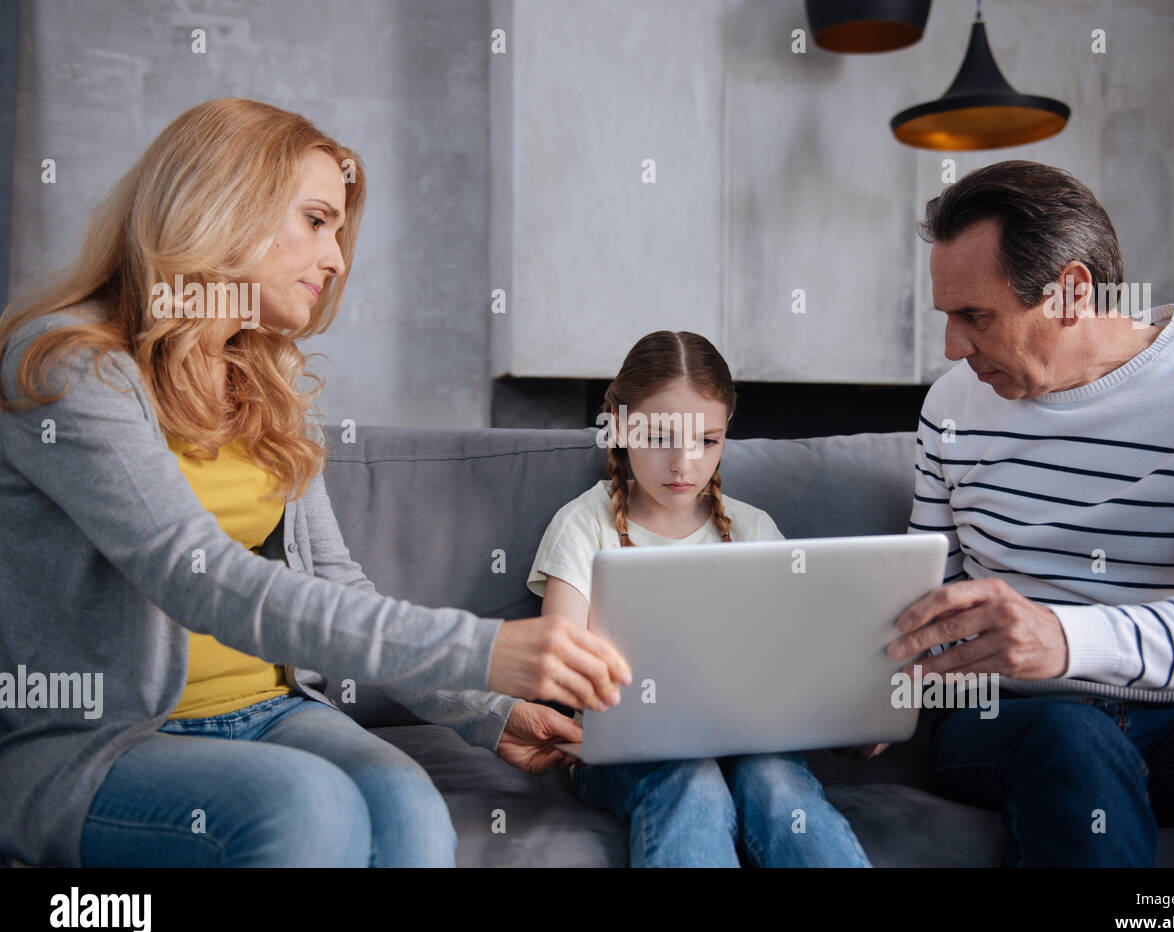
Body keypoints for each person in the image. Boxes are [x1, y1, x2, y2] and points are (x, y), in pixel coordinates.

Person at [0, 98, 630, 868]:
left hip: (270, 710)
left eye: (338, 231)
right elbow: (196, 578)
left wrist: (485, 710)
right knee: (309, 807)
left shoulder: (266, 377)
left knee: (408, 808)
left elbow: (335, 580)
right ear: (226, 203)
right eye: (317, 221)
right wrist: (482, 648)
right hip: (106, 740)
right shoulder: (70, 367)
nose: (337, 260)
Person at [891, 159, 1174, 865]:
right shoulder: (952, 407)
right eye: (947, 317)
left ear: (1071, 292)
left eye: (975, 316)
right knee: (1069, 739)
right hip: (1013, 720)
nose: (953, 349)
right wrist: (877, 680)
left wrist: (1066, 638)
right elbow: (921, 597)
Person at [521, 330, 871, 867]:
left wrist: (845, 709)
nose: (683, 464)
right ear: (618, 426)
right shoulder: (582, 525)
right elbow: (557, 667)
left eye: (705, 441)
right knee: (692, 781)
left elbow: (796, 658)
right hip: (629, 750)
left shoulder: (755, 530)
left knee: (776, 782)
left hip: (750, 739)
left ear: (725, 433)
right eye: (661, 437)